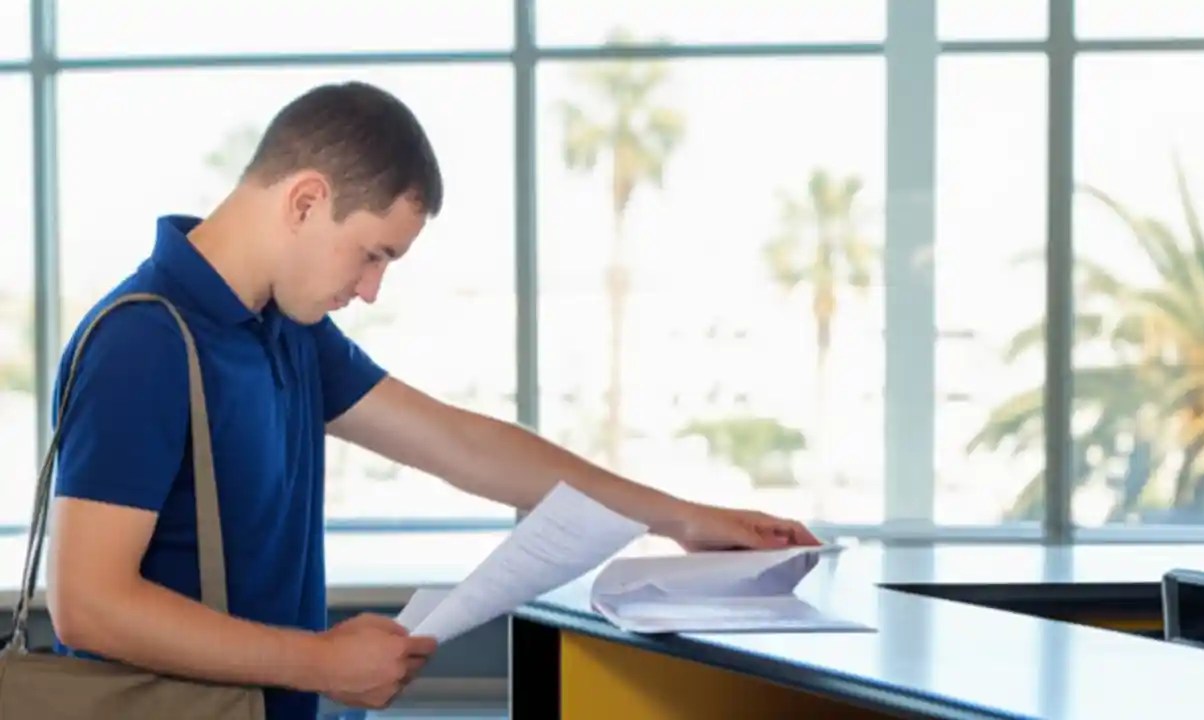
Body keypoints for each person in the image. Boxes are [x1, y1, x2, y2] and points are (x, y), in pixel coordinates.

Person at [43, 80, 821, 720]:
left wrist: (680, 517)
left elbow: (462, 445)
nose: (372, 288)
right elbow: (87, 603)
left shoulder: (287, 331)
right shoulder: (143, 341)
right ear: (307, 201)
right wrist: (318, 660)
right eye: (373, 253)